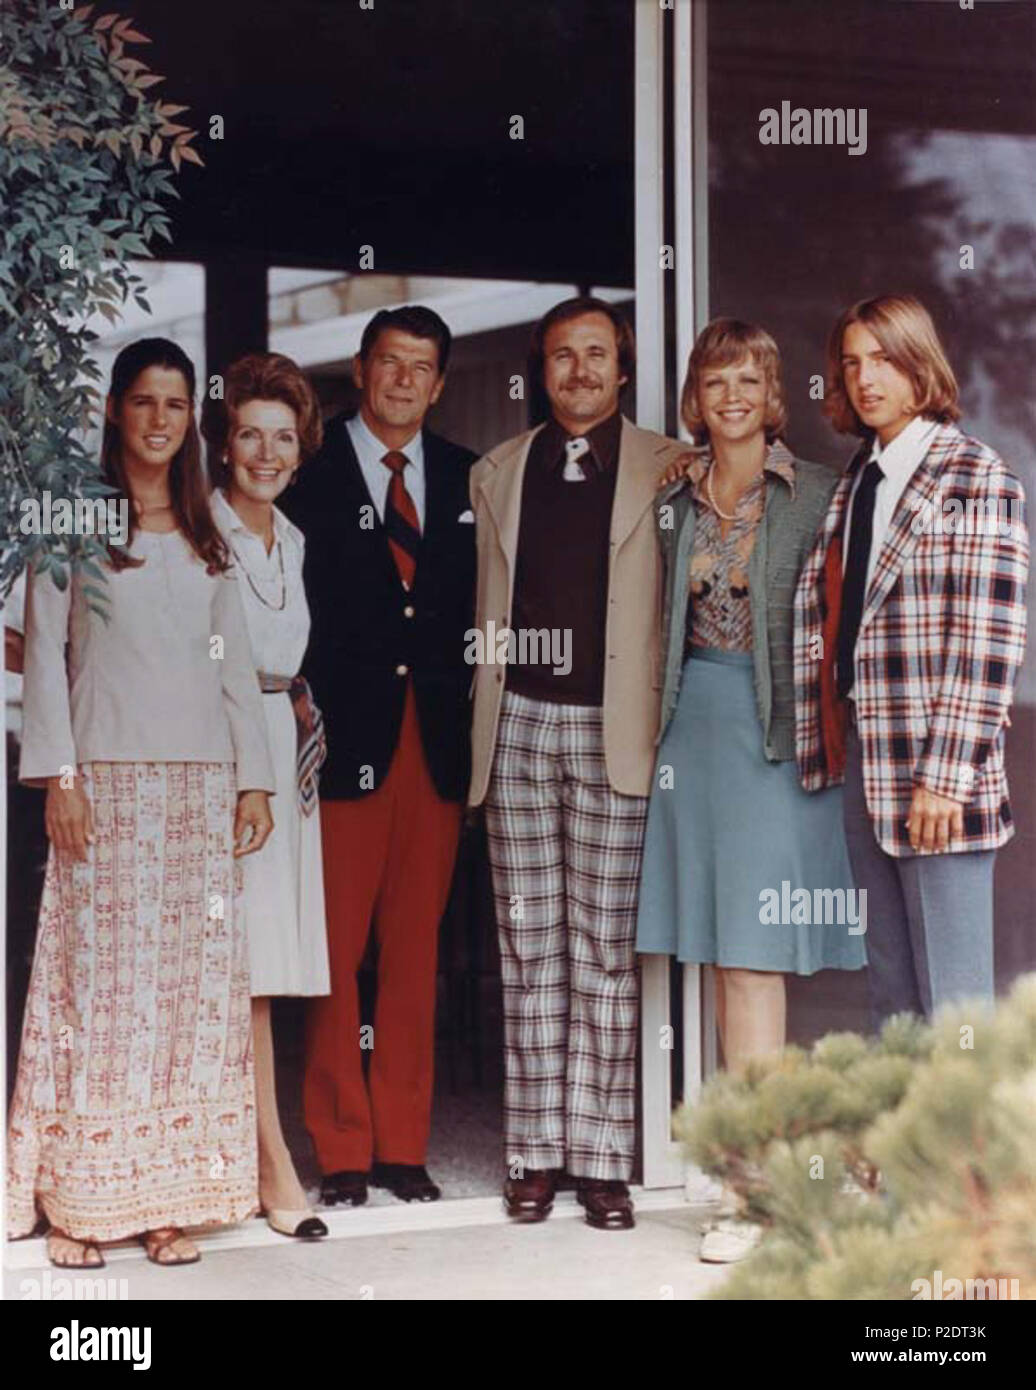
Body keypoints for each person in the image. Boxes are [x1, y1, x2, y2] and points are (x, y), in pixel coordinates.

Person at [7, 338, 274, 1269]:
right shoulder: (72, 526)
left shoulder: (210, 534)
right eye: (144, 402)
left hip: (199, 794)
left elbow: (235, 668)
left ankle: (166, 1199)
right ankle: (82, 1204)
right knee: (103, 992)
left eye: (175, 404)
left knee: (184, 999)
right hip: (107, 788)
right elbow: (44, 658)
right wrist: (63, 778)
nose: (160, 420)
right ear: (116, 410)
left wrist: (252, 778)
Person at [635, 318, 866, 1262]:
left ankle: (764, 1195)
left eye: (749, 379)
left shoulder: (816, 491)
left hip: (779, 742)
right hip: (694, 736)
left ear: (772, 394)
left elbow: (855, 617)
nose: (732, 395)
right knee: (723, 963)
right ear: (696, 396)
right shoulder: (675, 496)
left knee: (754, 964)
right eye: (715, 379)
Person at [469, 296, 686, 1231]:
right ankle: (534, 1154)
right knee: (531, 950)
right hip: (516, 721)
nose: (580, 370)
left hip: (615, 728)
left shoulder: (671, 467)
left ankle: (601, 1159)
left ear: (623, 369)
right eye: (562, 355)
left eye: (598, 354)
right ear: (541, 369)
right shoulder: (498, 473)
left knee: (603, 952)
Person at [286, 306, 476, 1207]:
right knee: (334, 950)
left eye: (422, 367)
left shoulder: (471, 478)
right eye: (389, 362)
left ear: (440, 384)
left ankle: (404, 1143)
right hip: (341, 741)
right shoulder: (307, 478)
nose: (404, 379)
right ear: (361, 371)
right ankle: (343, 1148)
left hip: (433, 747)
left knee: (414, 951)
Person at [795, 294, 1029, 1025]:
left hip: (939, 769)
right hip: (868, 750)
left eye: (885, 360)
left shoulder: (974, 476)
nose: (867, 379)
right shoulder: (859, 479)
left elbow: (991, 642)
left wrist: (946, 777)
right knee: (893, 996)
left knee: (954, 1007)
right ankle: (902, 1145)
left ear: (920, 365)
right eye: (853, 363)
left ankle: (965, 1145)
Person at [206, 352, 330, 1240]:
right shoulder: (194, 532)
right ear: (223, 444)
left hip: (283, 751)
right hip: (215, 754)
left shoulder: (294, 538)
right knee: (229, 967)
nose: (265, 451)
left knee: (262, 966)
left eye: (282, 436)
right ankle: (266, 1157)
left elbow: (283, 658)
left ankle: (249, 1151)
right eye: (249, 433)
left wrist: (296, 702)